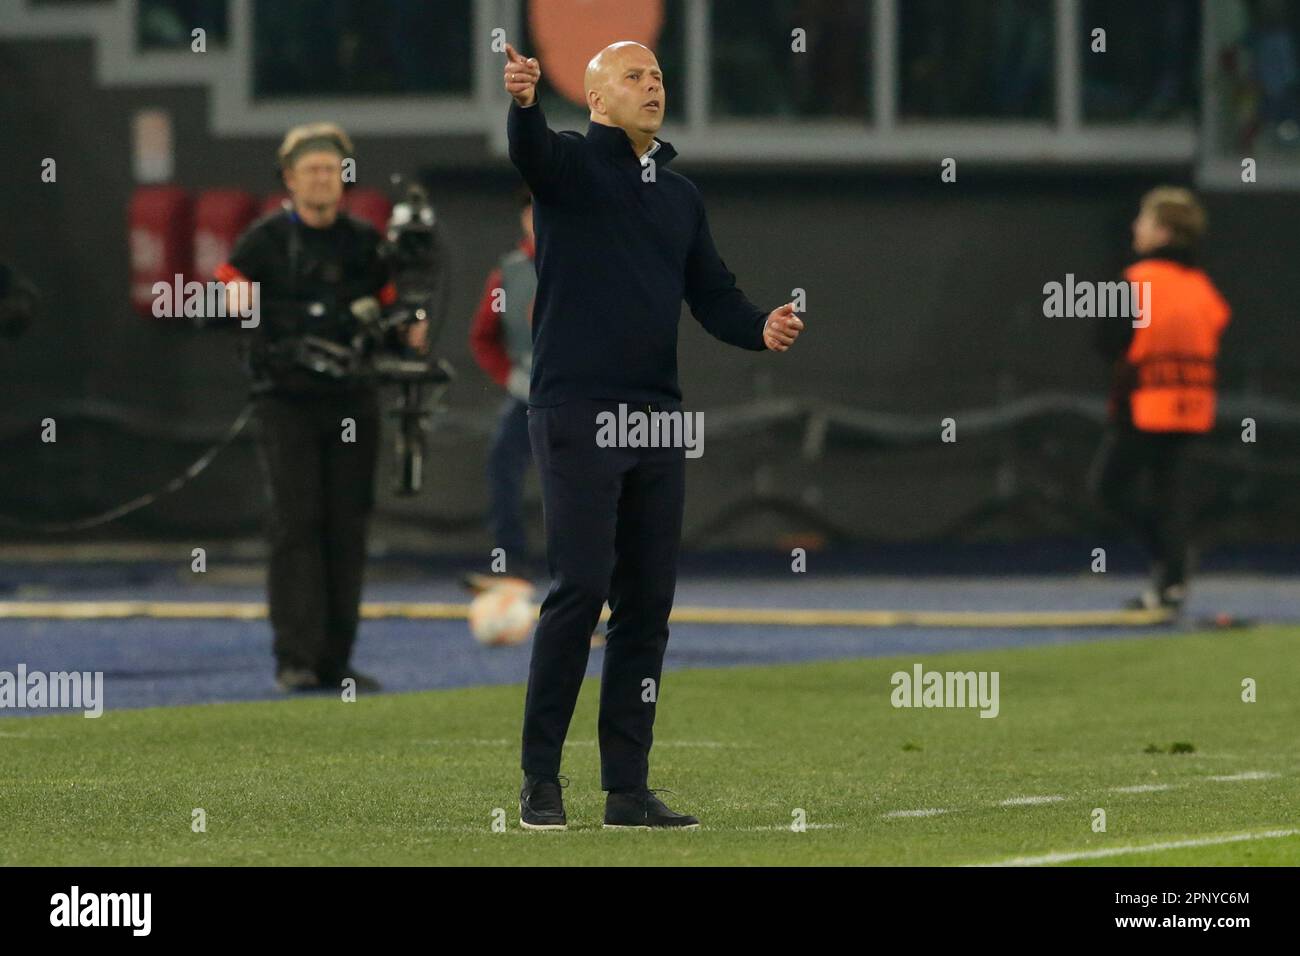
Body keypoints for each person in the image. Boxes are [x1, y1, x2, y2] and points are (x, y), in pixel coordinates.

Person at [503, 40, 805, 829]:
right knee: (580, 590)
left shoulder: (678, 196)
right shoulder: (569, 165)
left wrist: (758, 326)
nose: (652, 86)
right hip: (576, 407)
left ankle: (627, 790)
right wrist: (526, 104)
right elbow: (529, 150)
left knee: (647, 606)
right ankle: (540, 779)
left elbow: (713, 294)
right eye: (634, 76)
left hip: (656, 415)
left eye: (658, 76)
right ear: (596, 100)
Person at [215, 122, 427, 692]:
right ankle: (295, 656)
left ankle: (336, 658)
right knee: (295, 523)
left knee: (346, 525)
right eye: (311, 170)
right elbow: (222, 292)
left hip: (351, 401)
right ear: (289, 179)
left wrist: (411, 327)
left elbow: (397, 316)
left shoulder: (363, 243)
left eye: (331, 170)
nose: (322, 179)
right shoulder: (263, 241)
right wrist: (237, 304)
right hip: (286, 402)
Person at [1088, 187, 1231, 613]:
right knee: (1169, 496)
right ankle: (1171, 579)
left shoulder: (1136, 282)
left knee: (1108, 488)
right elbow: (1215, 328)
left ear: (1164, 231)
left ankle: (1170, 561)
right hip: (1192, 406)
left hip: (1144, 405)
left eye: (1145, 220)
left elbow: (1107, 341)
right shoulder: (1203, 288)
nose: (1137, 227)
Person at [468, 185, 539, 580]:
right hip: (528, 392)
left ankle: (598, 574)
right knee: (502, 463)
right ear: (523, 219)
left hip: (583, 396)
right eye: (532, 212)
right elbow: (483, 336)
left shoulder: (591, 261)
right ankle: (509, 565)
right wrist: (510, 376)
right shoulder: (508, 273)